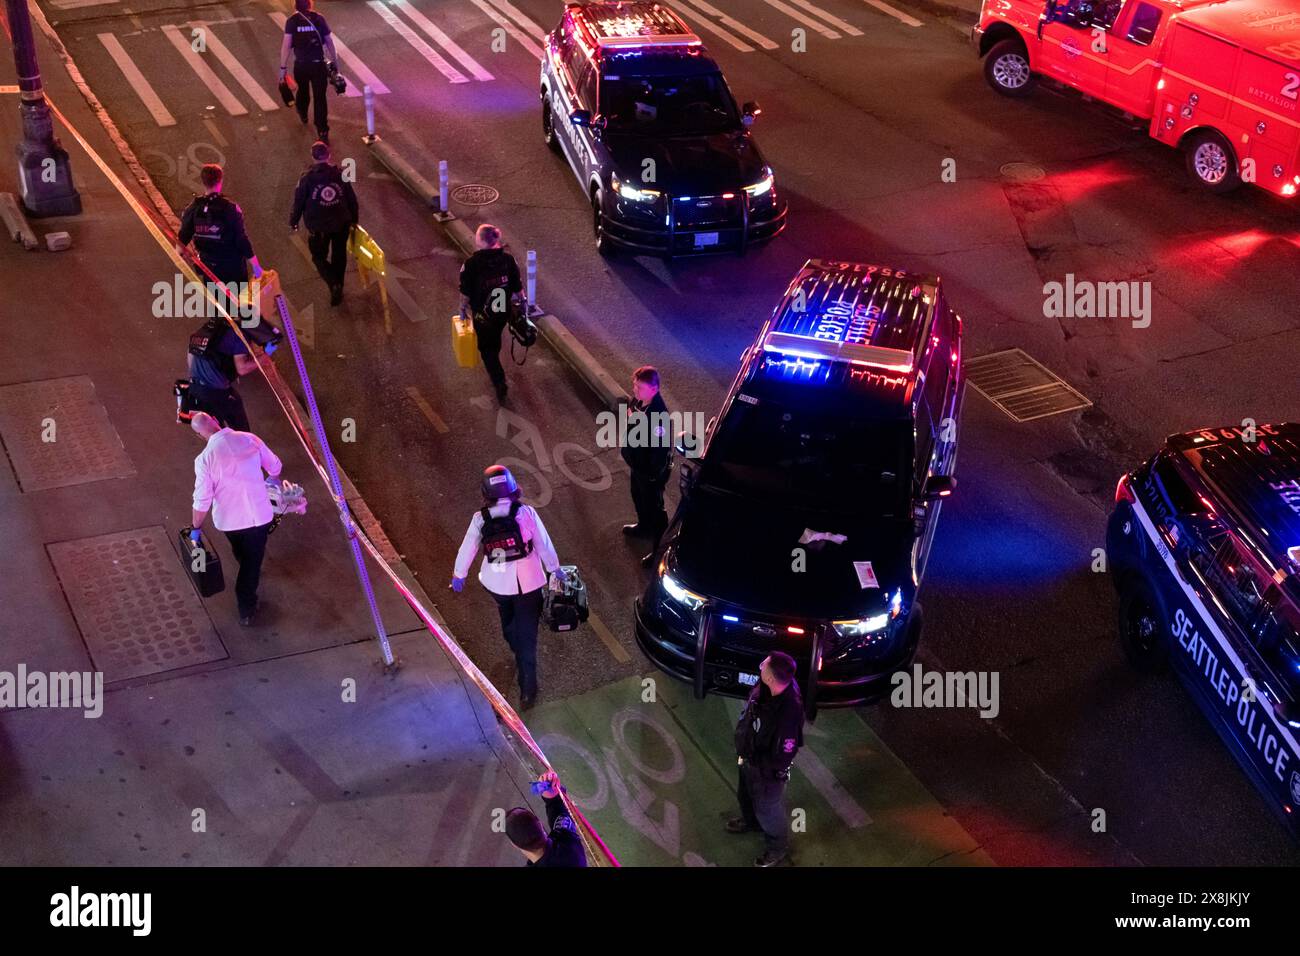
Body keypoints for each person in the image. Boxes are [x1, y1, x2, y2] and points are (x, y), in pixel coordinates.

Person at [450, 465, 564, 709]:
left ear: (485, 493)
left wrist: (459, 575)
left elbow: (467, 548)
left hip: (497, 584)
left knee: (507, 619)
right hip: (530, 584)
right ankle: (528, 690)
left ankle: (515, 643)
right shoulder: (526, 513)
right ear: (514, 489)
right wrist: (555, 569)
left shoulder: (480, 519)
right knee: (528, 638)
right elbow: (543, 544)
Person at [189, 412, 283, 627]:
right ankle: (246, 607)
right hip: (260, 516)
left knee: (243, 553)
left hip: (230, 522)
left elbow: (202, 499)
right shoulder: (249, 439)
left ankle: (246, 570)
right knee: (252, 562)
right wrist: (270, 478)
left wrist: (196, 527)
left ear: (199, 436)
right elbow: (275, 466)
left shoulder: (204, 460)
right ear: (215, 419)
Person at [728, 652, 805, 867]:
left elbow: (784, 753)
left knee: (768, 810)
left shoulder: (788, 713)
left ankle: (777, 848)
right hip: (748, 758)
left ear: (771, 677)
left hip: (766, 772)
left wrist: (763, 769)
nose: (760, 665)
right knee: (744, 795)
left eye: (765, 665)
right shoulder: (767, 689)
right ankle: (750, 822)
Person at [459, 224, 524, 402]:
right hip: (502, 312)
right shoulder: (508, 260)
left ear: (480, 240)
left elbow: (465, 292)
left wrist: (462, 309)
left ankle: (499, 380)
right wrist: (522, 304)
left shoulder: (471, 264)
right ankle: (496, 357)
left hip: (483, 316)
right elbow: (518, 286)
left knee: (487, 350)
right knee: (494, 339)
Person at [290, 140, 358, 306]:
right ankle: (338, 285)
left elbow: (299, 202)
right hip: (341, 222)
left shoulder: (306, 179)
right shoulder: (340, 174)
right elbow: (351, 199)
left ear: (313, 157)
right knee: (339, 255)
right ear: (329, 155)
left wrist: (294, 221)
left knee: (318, 257)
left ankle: (333, 283)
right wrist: (354, 220)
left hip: (318, 226)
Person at [177, 164, 263, 293]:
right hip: (233, 267)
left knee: (218, 305)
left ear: (203, 182)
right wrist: (256, 266)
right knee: (241, 304)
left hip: (209, 268)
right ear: (220, 181)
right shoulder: (231, 208)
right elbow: (241, 239)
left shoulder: (194, 208)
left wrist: (179, 254)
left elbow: (183, 237)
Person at [621, 366, 672, 568]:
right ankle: (643, 527)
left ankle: (658, 551)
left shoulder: (659, 416)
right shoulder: (639, 402)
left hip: (649, 473)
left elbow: (660, 451)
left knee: (656, 511)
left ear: (654, 389)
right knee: (637, 495)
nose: (635, 391)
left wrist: (652, 476)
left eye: (640, 387)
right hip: (637, 465)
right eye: (634, 385)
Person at [279, 0, 338, 143]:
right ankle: (322, 131)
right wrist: (336, 64)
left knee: (303, 91)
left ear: (295, 5)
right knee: (320, 98)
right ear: (310, 4)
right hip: (318, 65)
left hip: (301, 65)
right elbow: (329, 41)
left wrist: (282, 69)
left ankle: (302, 112)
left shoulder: (292, 21)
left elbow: (286, 46)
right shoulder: (319, 18)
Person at [505, 772, 588, 868]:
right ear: (540, 825)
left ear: (515, 845)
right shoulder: (569, 846)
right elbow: (559, 811)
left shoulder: (567, 842)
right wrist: (550, 791)